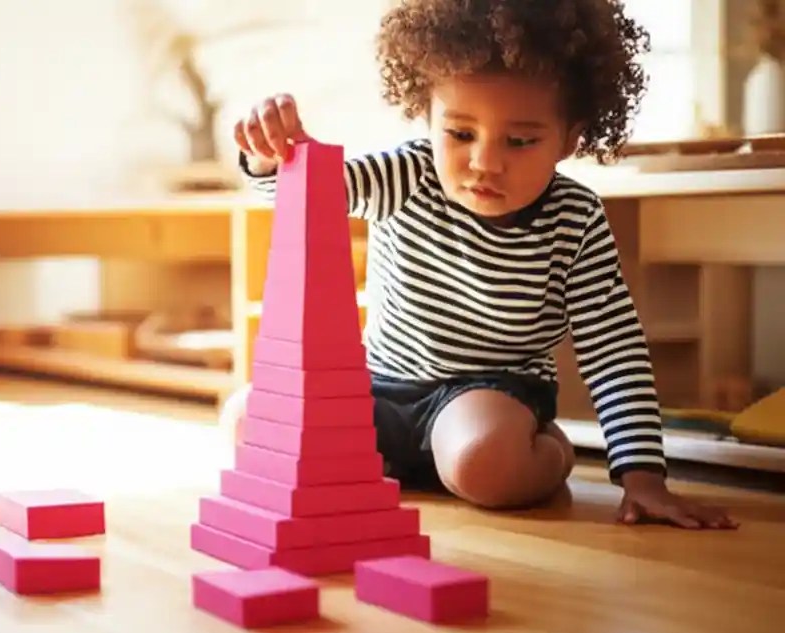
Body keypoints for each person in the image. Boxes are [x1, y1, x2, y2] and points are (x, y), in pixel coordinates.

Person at [224, 0, 737, 529]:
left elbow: (614, 349)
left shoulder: (576, 218)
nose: (485, 163)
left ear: (569, 138)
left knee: (482, 460)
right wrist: (271, 156)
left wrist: (642, 477)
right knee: (247, 418)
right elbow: (307, 195)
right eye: (461, 134)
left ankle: (545, 451)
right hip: (376, 390)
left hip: (489, 401)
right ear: (426, 117)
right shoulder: (407, 175)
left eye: (520, 141)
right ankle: (411, 464)